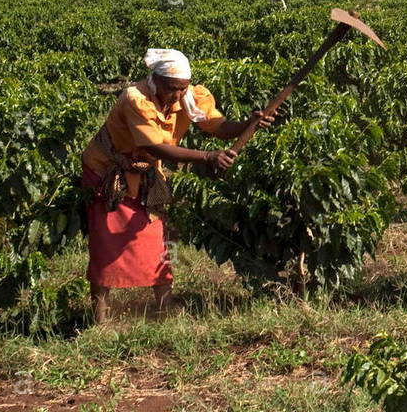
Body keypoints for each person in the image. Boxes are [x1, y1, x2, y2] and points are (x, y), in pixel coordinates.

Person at [80, 48, 275, 323]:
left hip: (145, 172)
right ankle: (100, 315)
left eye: (182, 89)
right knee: (108, 242)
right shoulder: (135, 99)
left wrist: (249, 123)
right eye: (172, 89)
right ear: (155, 80)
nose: (178, 95)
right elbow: (154, 147)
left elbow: (219, 128)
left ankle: (163, 307)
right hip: (108, 173)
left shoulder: (189, 96)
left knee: (156, 235)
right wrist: (208, 157)